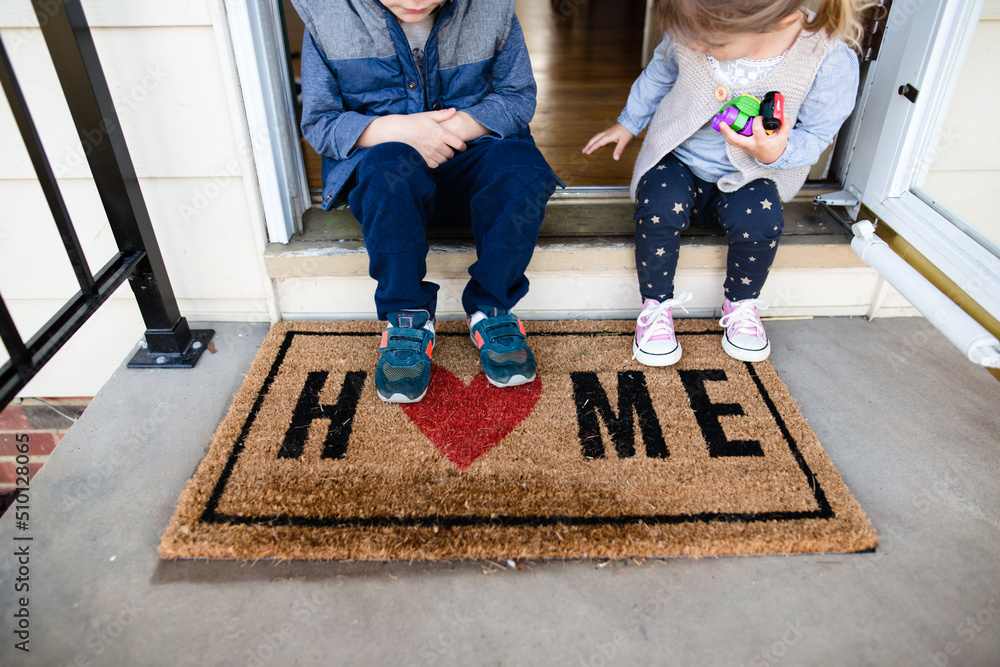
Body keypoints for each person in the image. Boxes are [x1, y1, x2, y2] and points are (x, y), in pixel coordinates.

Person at [292, 0, 560, 403]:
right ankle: (406, 316)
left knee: (524, 167)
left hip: (471, 155)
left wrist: (450, 129)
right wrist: (399, 130)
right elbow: (320, 122)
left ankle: (493, 307)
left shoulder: (492, 9)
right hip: (391, 173)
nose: (416, 2)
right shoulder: (328, 18)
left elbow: (518, 97)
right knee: (386, 169)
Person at [583, 0, 867, 365]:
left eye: (710, 44)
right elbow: (660, 73)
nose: (695, 45)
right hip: (680, 160)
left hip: (752, 174)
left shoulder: (824, 56)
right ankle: (655, 306)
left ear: (776, 20)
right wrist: (628, 122)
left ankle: (741, 303)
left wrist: (777, 152)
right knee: (657, 206)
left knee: (763, 220)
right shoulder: (697, 19)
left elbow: (819, 131)